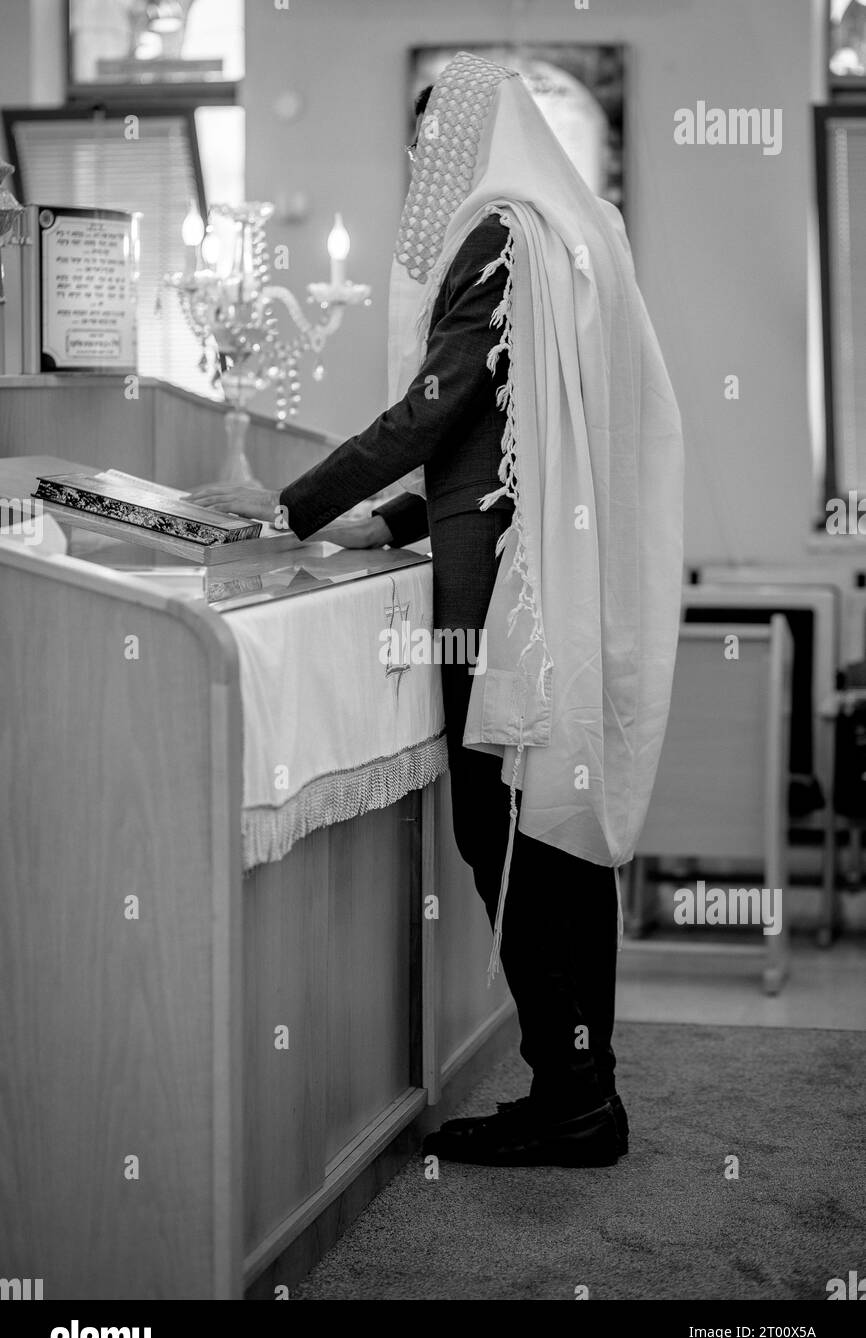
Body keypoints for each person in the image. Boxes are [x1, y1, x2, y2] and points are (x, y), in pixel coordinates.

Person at [191, 52, 684, 1168]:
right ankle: (579, 1088)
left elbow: (431, 411)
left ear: (468, 136)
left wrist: (290, 506)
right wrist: (387, 524)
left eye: (429, 146)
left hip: (502, 601)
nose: (421, 167)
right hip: (538, 576)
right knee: (554, 843)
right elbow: (503, 446)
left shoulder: (502, 237)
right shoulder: (566, 230)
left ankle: (571, 1102)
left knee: (505, 834)